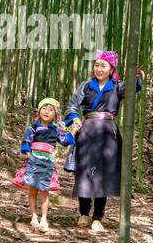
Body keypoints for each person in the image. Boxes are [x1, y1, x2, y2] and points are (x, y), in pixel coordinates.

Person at [63, 50, 143, 232]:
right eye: (96, 65)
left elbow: (132, 88)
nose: (99, 69)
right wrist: (75, 119)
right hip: (87, 131)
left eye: (103, 66)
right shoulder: (86, 85)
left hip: (108, 134)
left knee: (103, 175)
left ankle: (98, 216)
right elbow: (72, 105)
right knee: (84, 173)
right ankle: (83, 213)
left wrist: (137, 77)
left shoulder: (117, 86)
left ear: (111, 68)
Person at [13, 98, 75, 232]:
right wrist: (30, 156)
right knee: (32, 190)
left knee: (44, 191)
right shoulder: (33, 128)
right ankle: (34, 217)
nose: (47, 112)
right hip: (33, 161)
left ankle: (44, 219)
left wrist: (72, 131)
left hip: (47, 163)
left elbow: (65, 141)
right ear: (39, 111)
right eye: (44, 108)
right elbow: (26, 142)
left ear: (55, 114)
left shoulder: (56, 129)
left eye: (51, 110)